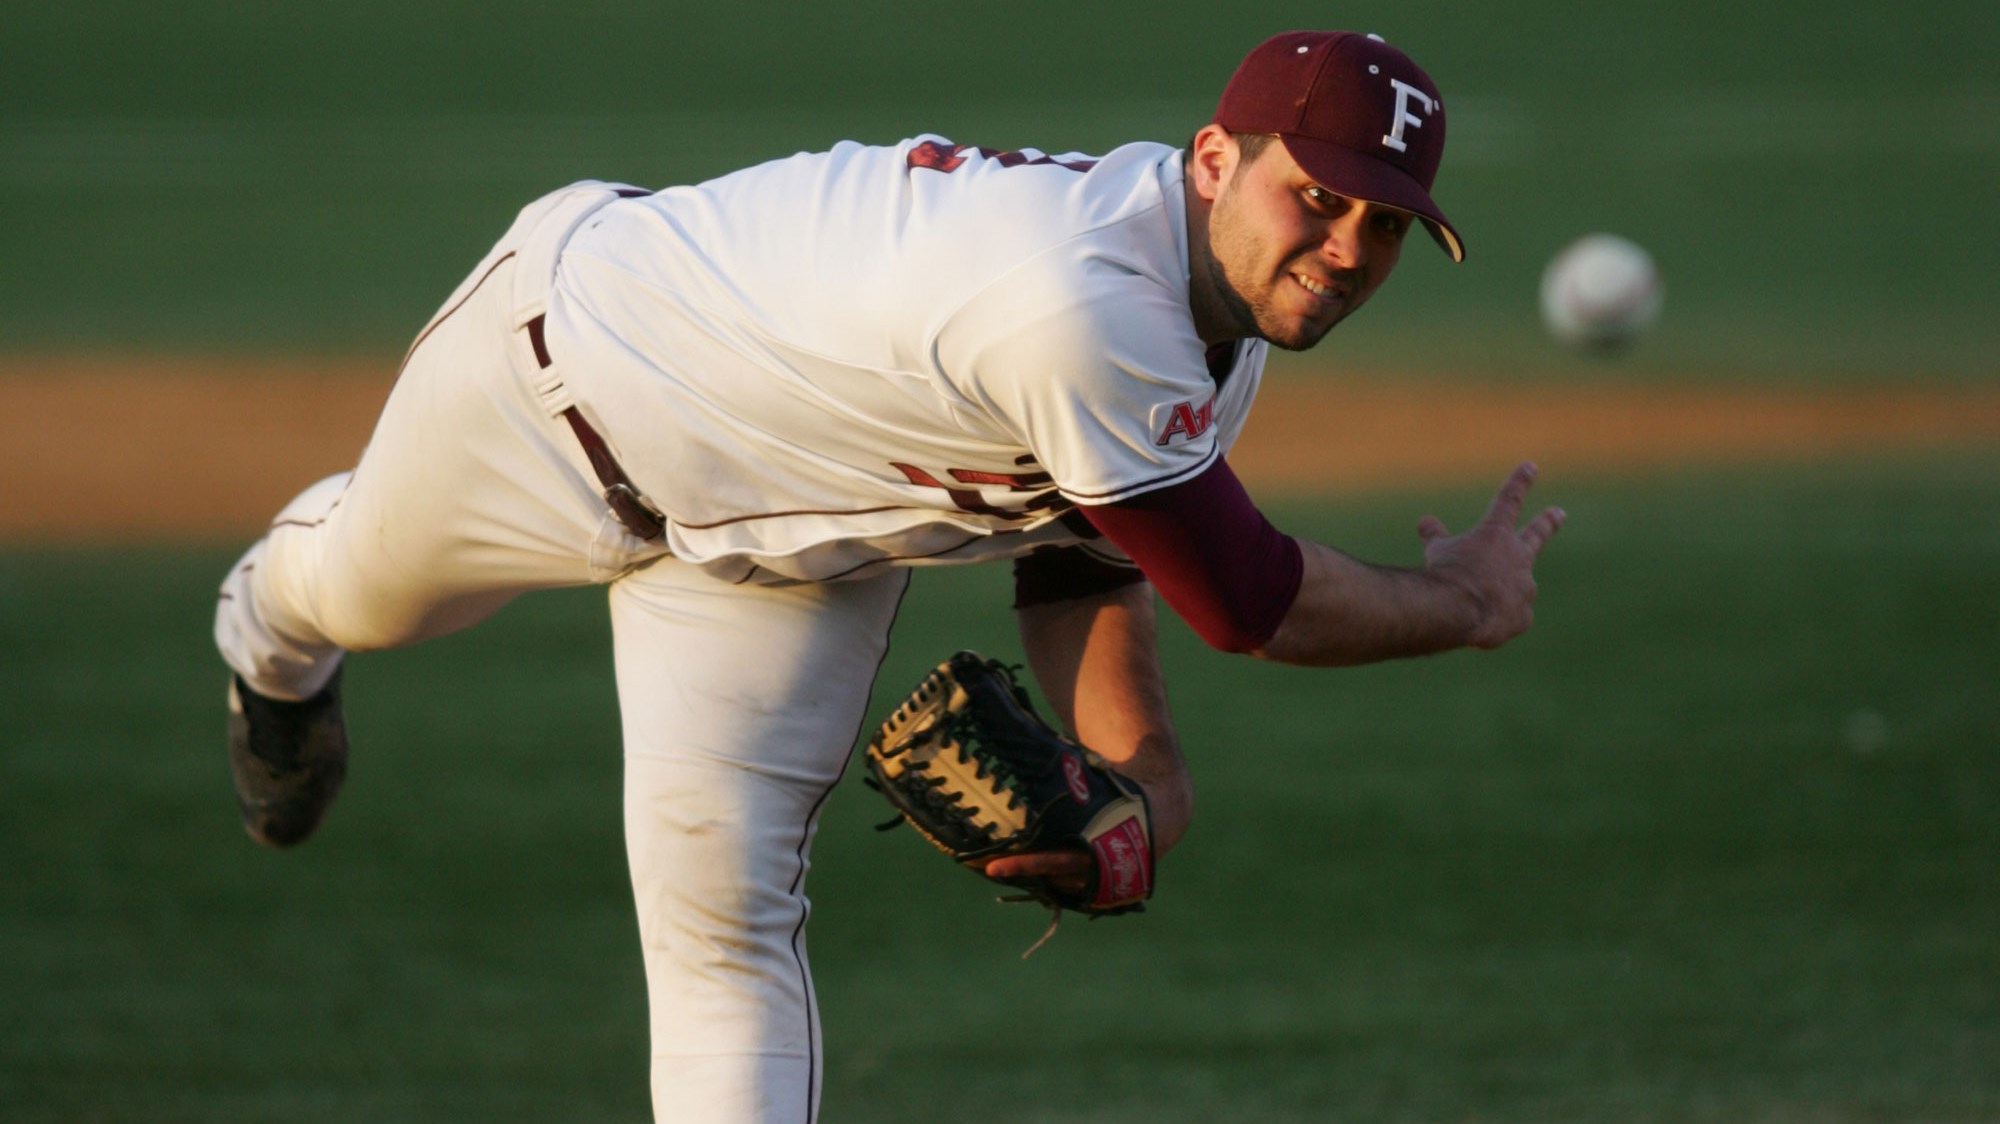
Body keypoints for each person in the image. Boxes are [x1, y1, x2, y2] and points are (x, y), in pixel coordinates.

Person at [214, 28, 1564, 1124]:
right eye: (1315, 200)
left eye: (1382, 228)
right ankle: (266, 639)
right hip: (555, 393)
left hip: (783, 560)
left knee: (731, 928)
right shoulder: (1086, 296)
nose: (1341, 251)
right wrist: (1468, 603)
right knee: (354, 596)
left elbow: (1082, 562)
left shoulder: (1224, 325)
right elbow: (1248, 599)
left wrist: (1141, 781)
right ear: (1216, 159)